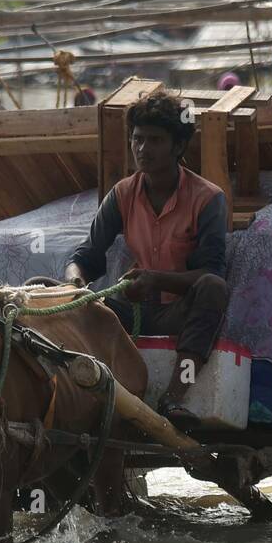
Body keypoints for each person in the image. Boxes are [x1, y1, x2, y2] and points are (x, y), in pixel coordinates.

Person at [66, 90, 229, 427]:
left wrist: (155, 279)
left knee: (213, 287)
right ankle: (76, 397)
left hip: (177, 312)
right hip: (130, 309)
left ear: (179, 146)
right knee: (42, 289)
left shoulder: (207, 198)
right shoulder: (123, 192)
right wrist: (75, 282)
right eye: (137, 139)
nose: (142, 149)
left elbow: (210, 272)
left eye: (155, 140)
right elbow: (87, 256)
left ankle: (174, 398)